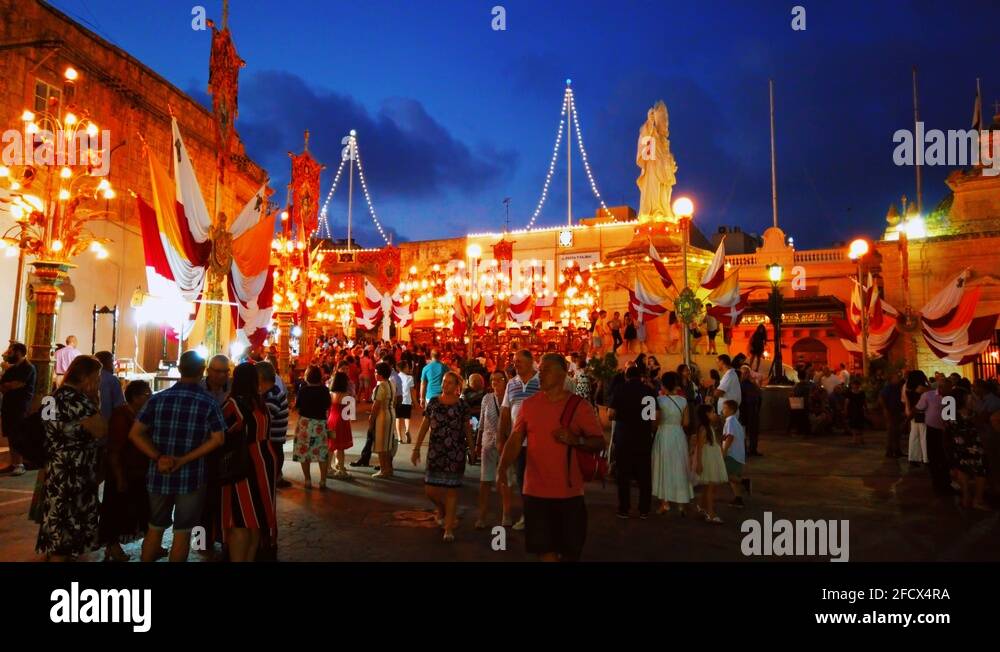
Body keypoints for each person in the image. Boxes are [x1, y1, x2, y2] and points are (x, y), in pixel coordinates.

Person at [497, 354, 604, 562]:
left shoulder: (579, 406)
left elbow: (599, 442)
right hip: (535, 491)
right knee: (544, 550)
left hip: (569, 492)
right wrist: (502, 467)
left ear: (561, 373)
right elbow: (516, 439)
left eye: (546, 370)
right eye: (541, 369)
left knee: (571, 551)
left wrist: (576, 440)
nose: (541, 374)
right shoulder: (529, 405)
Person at [128, 350, 226, 563]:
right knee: (182, 533)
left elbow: (135, 433)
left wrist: (158, 457)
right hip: (192, 476)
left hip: (159, 473)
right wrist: (185, 459)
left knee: (155, 527)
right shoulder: (208, 402)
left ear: (180, 369)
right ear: (202, 372)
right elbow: (218, 439)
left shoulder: (157, 400)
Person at [35, 356, 107, 561]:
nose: (98, 382)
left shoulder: (54, 396)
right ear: (86, 377)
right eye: (97, 377)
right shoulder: (79, 401)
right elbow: (101, 431)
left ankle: (56, 551)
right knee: (71, 516)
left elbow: (47, 428)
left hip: (55, 465)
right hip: (75, 470)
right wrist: (96, 401)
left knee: (57, 514)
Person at [219, 363, 277, 562]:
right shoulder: (260, 404)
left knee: (240, 520)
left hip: (243, 464)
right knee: (256, 521)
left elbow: (221, 436)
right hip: (264, 461)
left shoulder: (233, 405)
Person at [411, 372, 472, 542]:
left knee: (452, 491)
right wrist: (416, 448)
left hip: (456, 451)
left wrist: (472, 449)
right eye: (444, 382)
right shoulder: (434, 403)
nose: (446, 385)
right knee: (430, 490)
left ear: (457, 386)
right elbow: (425, 425)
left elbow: (467, 428)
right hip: (436, 451)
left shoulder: (462, 406)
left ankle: (448, 527)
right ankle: (442, 509)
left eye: (450, 383)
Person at [99, 380, 153, 562]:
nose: (150, 397)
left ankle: (151, 544)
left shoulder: (142, 414)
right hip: (122, 470)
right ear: (135, 397)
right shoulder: (122, 415)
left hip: (139, 471)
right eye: (146, 394)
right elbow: (115, 449)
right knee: (116, 510)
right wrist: (119, 476)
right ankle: (113, 546)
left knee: (141, 509)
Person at [498, 349, 540, 531]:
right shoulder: (511, 384)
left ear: (531, 362)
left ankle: (536, 515)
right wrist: (501, 436)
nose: (516, 364)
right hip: (518, 441)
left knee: (537, 479)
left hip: (538, 441)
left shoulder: (541, 382)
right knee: (523, 479)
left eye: (520, 361)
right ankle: (527, 514)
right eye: (515, 361)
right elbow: (506, 411)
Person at [609, 365, 656, 518]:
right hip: (643, 436)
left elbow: (611, 414)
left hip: (624, 436)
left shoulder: (620, 390)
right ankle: (644, 509)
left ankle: (624, 508)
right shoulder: (649, 391)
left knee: (623, 474)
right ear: (640, 377)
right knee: (644, 475)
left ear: (626, 376)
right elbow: (653, 418)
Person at [652, 371, 692, 515]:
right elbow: (686, 422)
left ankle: (665, 503)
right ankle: (681, 504)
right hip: (678, 434)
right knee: (680, 466)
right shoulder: (683, 401)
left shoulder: (659, 400)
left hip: (663, 434)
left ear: (663, 384)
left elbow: (654, 421)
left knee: (664, 467)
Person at [476, 371, 512, 529]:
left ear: (506, 381)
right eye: (493, 380)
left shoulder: (511, 399)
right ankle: (482, 515)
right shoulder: (487, 398)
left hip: (505, 443)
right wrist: (477, 443)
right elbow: (482, 423)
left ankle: (506, 513)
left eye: (499, 379)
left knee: (505, 480)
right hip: (488, 442)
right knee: (485, 480)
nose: (495, 382)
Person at [947, 382, 989, 510]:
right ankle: (978, 500)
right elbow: (980, 425)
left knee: (963, 470)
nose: (971, 398)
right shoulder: (969, 414)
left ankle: (966, 498)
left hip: (959, 447)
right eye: (968, 396)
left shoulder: (950, 415)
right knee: (980, 471)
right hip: (973, 447)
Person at [293, 365, 331, 488]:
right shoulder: (324, 390)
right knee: (322, 453)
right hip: (320, 423)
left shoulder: (303, 390)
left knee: (304, 452)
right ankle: (323, 481)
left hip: (305, 423)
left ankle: (308, 480)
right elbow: (327, 405)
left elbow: (297, 406)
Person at [0, 342, 35, 476]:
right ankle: (13, 463)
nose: (8, 354)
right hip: (8, 405)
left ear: (19, 352)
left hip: (20, 407)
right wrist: (6, 384)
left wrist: (8, 385)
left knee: (18, 435)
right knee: (10, 434)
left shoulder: (28, 367)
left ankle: (20, 464)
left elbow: (16, 385)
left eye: (11, 351)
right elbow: (2, 386)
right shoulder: (12, 369)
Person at [691, 404, 727, 523]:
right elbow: (700, 447)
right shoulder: (703, 428)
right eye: (712, 412)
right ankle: (711, 513)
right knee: (711, 487)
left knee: (709, 486)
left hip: (712, 457)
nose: (714, 414)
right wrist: (699, 463)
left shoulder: (709, 427)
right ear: (707, 414)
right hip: (708, 459)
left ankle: (701, 506)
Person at [258, 361, 291, 490]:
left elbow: (264, 419)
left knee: (271, 469)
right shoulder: (272, 392)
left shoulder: (272, 396)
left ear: (261, 378)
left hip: (273, 441)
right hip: (275, 441)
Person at [917, 377, 951, 496]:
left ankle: (946, 483)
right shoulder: (928, 395)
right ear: (941, 387)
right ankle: (937, 483)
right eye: (948, 388)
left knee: (945, 458)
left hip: (945, 431)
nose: (950, 390)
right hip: (932, 430)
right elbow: (919, 408)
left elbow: (949, 417)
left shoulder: (949, 398)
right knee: (934, 457)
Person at [325, 372, 354, 479]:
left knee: (331, 446)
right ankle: (341, 468)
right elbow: (351, 414)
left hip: (331, 420)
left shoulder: (330, 394)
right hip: (342, 422)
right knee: (340, 447)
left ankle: (328, 468)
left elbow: (327, 409)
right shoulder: (347, 396)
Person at [371, 362, 397, 478]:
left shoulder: (380, 386)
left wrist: (371, 418)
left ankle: (383, 469)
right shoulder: (391, 383)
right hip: (391, 412)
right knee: (387, 443)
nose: (374, 374)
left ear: (380, 374)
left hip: (382, 414)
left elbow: (376, 405)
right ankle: (389, 468)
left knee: (381, 444)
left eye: (376, 372)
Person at [721, 399, 748, 508]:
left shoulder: (730, 420)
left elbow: (730, 437)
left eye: (724, 408)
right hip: (737, 454)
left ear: (731, 410)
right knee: (732, 477)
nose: (722, 410)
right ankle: (738, 498)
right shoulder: (735, 421)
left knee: (725, 475)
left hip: (732, 454)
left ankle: (744, 482)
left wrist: (724, 451)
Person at [904, 371, 929, 467]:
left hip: (913, 414)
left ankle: (913, 458)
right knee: (924, 436)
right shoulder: (921, 388)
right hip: (922, 413)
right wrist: (927, 381)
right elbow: (933, 391)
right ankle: (926, 459)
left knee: (914, 437)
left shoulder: (908, 388)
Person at [879, 371, 905, 458]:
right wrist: (885, 410)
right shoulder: (888, 388)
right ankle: (890, 451)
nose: (898, 379)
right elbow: (882, 398)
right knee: (892, 432)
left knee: (897, 432)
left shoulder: (898, 387)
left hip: (897, 411)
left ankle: (897, 450)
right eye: (896, 377)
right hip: (891, 412)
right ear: (891, 380)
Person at [94, 351, 125, 422]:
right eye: (112, 362)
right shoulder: (112, 379)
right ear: (108, 362)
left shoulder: (88, 377)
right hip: (107, 420)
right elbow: (119, 405)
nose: (113, 365)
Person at [739, 365, 762, 456]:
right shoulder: (750, 385)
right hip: (748, 411)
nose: (744, 375)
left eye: (746, 373)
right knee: (749, 432)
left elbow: (758, 397)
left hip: (749, 410)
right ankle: (750, 449)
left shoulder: (746, 384)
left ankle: (749, 450)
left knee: (749, 431)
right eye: (743, 373)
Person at [396, 360, 416, 444]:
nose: (408, 368)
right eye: (407, 366)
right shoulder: (410, 378)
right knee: (407, 417)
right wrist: (415, 402)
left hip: (398, 401)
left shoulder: (396, 377)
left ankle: (400, 438)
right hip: (407, 400)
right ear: (404, 368)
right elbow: (412, 391)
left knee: (398, 419)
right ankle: (407, 430)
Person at [845, 379, 867, 445]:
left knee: (860, 424)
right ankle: (855, 439)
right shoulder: (850, 393)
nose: (855, 386)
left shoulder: (862, 393)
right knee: (853, 425)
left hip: (859, 410)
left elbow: (864, 401)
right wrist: (846, 409)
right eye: (853, 384)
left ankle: (861, 439)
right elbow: (847, 402)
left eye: (856, 384)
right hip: (852, 410)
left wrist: (866, 408)